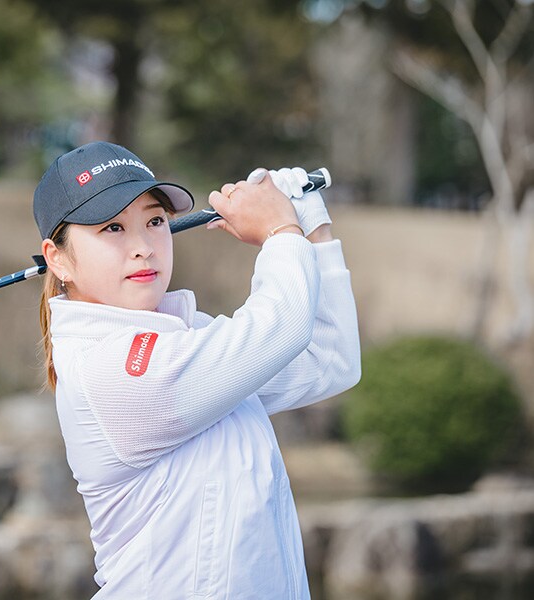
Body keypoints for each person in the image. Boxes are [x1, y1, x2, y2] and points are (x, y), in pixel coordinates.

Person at [34, 141, 361, 599]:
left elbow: (329, 361)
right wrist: (280, 230)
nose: (143, 248)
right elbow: (280, 328)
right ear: (59, 258)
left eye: (154, 221)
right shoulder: (109, 368)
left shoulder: (186, 339)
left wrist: (311, 225)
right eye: (112, 228)